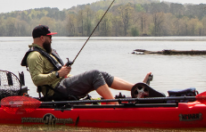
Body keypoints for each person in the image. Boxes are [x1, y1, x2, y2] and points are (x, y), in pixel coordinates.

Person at [20, 25, 151, 101]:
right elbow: (37, 80)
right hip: (58, 90)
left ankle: (138, 88)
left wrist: (63, 71)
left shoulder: (47, 52)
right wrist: (58, 74)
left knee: (100, 74)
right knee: (94, 74)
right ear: (42, 38)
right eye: (50, 37)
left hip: (65, 84)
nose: (52, 39)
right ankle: (113, 106)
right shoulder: (34, 56)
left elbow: (57, 72)